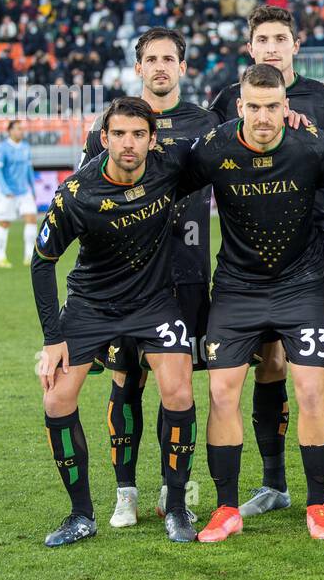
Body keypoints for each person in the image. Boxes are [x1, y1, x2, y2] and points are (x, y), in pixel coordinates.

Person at [184, 64, 324, 541]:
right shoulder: (215, 147)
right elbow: (164, 185)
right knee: (220, 393)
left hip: (302, 287)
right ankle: (226, 508)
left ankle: (318, 505)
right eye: (253, 107)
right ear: (239, 108)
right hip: (237, 289)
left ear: (285, 106)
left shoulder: (313, 144)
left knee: (312, 390)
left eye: (272, 106)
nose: (263, 116)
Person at [31, 97, 200, 546]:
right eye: (120, 134)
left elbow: (228, 144)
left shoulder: (170, 165)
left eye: (139, 134)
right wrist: (53, 340)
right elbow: (41, 262)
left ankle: (178, 508)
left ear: (152, 138)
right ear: (103, 139)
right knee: (56, 400)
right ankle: (80, 514)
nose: (129, 143)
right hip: (91, 305)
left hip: (154, 302)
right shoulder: (77, 193)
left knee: (179, 390)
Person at [79, 28, 218, 528]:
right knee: (125, 380)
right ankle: (125, 492)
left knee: (176, 385)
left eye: (169, 59)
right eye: (151, 59)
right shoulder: (112, 123)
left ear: (183, 66)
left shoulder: (207, 123)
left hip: (185, 276)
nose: (161, 66)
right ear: (138, 67)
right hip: (124, 282)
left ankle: (171, 492)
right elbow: (87, 200)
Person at [0, 119, 37, 269]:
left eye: (22, 129)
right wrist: (5, 190)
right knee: (4, 223)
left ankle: (29, 256)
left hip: (24, 192)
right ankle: (1, 257)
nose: (21, 131)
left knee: (31, 219)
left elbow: (29, 169)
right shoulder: (2, 148)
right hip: (8, 193)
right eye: (18, 129)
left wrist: (33, 188)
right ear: (10, 131)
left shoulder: (25, 147)